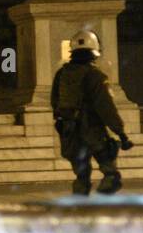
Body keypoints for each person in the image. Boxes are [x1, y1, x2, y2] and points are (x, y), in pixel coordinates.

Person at [51, 30, 134, 195]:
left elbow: (55, 101)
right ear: (93, 53)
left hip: (69, 130)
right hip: (92, 129)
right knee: (110, 170)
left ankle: (79, 207)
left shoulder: (62, 74)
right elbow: (106, 107)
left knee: (81, 175)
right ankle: (104, 198)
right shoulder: (95, 76)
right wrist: (121, 133)